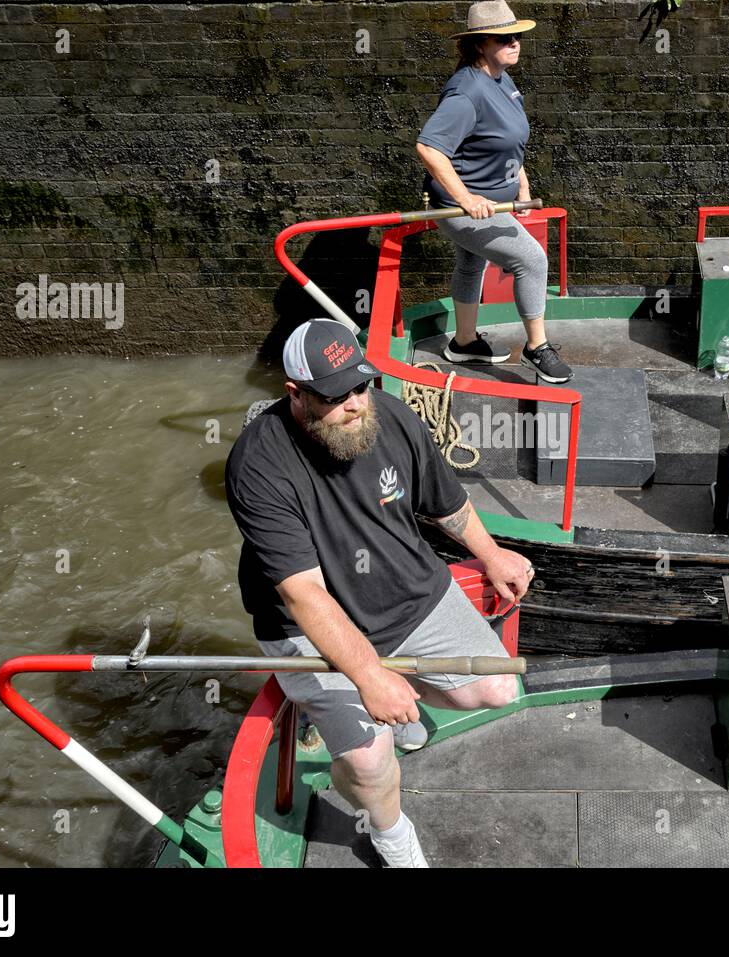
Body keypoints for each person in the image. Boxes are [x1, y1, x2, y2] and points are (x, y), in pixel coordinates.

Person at [224, 319, 534, 868]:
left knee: (496, 690)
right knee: (370, 761)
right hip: (308, 624)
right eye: (335, 395)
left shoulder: (390, 415)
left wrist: (491, 553)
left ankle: (405, 700)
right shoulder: (258, 467)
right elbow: (303, 596)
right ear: (295, 394)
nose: (354, 404)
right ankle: (390, 833)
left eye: (361, 386)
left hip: (406, 589)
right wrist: (369, 676)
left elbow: (445, 502)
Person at [415, 0, 573, 384]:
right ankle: (537, 348)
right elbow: (429, 148)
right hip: (459, 208)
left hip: (495, 199)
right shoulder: (467, 92)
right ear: (480, 44)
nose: (515, 42)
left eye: (517, 35)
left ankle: (464, 343)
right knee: (531, 261)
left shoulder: (501, 78)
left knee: (472, 262)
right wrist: (467, 200)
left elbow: (505, 138)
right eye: (504, 38)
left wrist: (520, 180)